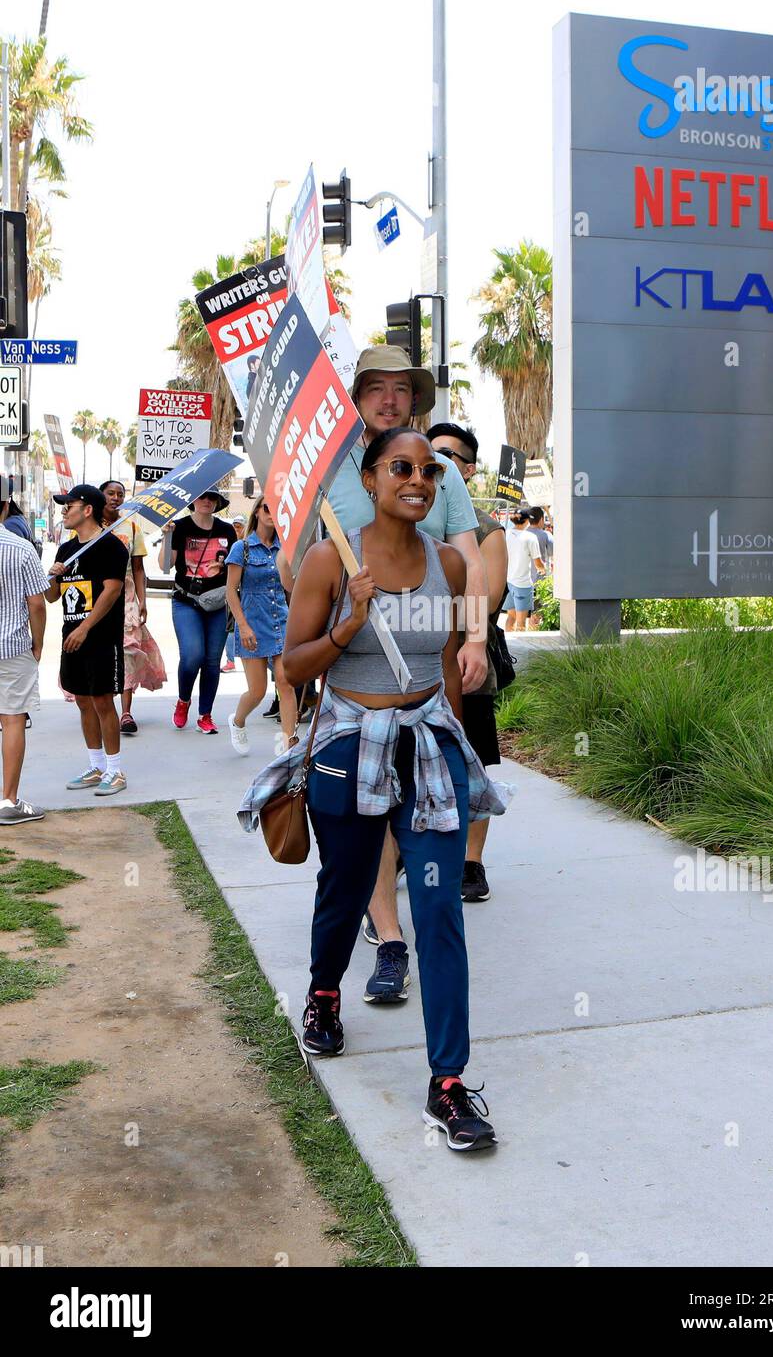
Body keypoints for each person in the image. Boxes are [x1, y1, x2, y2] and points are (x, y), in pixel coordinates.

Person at [240, 428, 509, 1151]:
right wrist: (349, 623)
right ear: (370, 478)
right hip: (349, 745)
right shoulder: (332, 558)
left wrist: (454, 740)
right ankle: (324, 991)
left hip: (426, 749)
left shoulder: (450, 564)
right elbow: (293, 668)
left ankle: (448, 1084)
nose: (418, 479)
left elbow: (448, 658)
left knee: (440, 911)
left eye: (430, 470)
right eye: (403, 467)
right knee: (346, 886)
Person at [326, 346, 489, 1003]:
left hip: (429, 666)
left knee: (425, 802)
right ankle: (390, 939)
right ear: (357, 397)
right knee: (372, 806)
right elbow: (303, 564)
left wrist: (473, 634)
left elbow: (469, 560)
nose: (390, 398)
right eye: (376, 388)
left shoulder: (440, 470)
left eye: (402, 388)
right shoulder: (332, 473)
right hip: (353, 673)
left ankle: (421, 920)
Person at [429, 423, 508, 902]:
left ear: (468, 468)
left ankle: (471, 863)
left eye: (447, 455)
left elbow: (491, 596)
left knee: (472, 759)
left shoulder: (485, 529)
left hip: (467, 661)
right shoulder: (408, 516)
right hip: (418, 663)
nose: (435, 462)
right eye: (429, 452)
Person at [47, 484, 129, 796]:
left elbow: (112, 591)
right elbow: (53, 597)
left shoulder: (111, 547)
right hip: (71, 637)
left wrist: (85, 628)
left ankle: (115, 770)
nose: (64, 510)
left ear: (88, 509)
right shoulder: (67, 550)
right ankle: (95, 766)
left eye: (69, 505)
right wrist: (54, 575)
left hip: (101, 638)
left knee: (102, 700)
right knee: (82, 700)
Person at [161, 491, 237, 735]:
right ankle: (184, 700)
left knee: (212, 661)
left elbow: (235, 566)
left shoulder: (227, 530)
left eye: (212, 498)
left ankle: (205, 715)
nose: (207, 501)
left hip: (219, 602)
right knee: (193, 655)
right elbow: (165, 566)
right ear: (193, 500)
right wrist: (167, 537)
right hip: (187, 600)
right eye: (203, 496)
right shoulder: (179, 527)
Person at [225, 495, 297, 754]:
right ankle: (238, 720)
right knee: (257, 691)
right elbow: (231, 591)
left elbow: (291, 589)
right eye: (268, 508)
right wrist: (243, 626)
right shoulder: (242, 548)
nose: (273, 513)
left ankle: (289, 746)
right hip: (253, 625)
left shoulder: (285, 548)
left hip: (281, 622)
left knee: (285, 683)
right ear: (257, 512)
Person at [100, 481, 166, 734]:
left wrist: (143, 601)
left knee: (128, 652)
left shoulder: (132, 527)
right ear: (101, 496)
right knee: (102, 653)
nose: (116, 498)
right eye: (111, 494)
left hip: (126, 598)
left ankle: (126, 713)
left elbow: (139, 568)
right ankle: (102, 706)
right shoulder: (88, 526)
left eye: (120, 494)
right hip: (96, 599)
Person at [0, 513, 51, 823]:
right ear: (5, 505)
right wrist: (39, 642)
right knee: (13, 718)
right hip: (12, 645)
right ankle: (8, 800)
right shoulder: (21, 548)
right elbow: (36, 603)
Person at [504, 510, 546, 632]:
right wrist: (543, 570)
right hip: (523, 584)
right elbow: (537, 562)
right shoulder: (530, 537)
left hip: (508, 582)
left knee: (510, 617)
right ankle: (519, 650)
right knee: (521, 622)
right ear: (527, 521)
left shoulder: (506, 534)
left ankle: (508, 646)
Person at [220, 513, 248, 673]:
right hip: (232, 592)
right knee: (231, 627)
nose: (236, 530)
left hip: (244, 593)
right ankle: (230, 660)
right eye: (234, 526)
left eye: (239, 527)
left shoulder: (247, 545)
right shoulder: (232, 545)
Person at [526, 505, 554, 630]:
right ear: (541, 519)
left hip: (521, 580)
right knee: (537, 614)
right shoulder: (545, 535)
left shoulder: (521, 533)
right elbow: (553, 552)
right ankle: (532, 637)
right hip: (539, 582)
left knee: (516, 615)